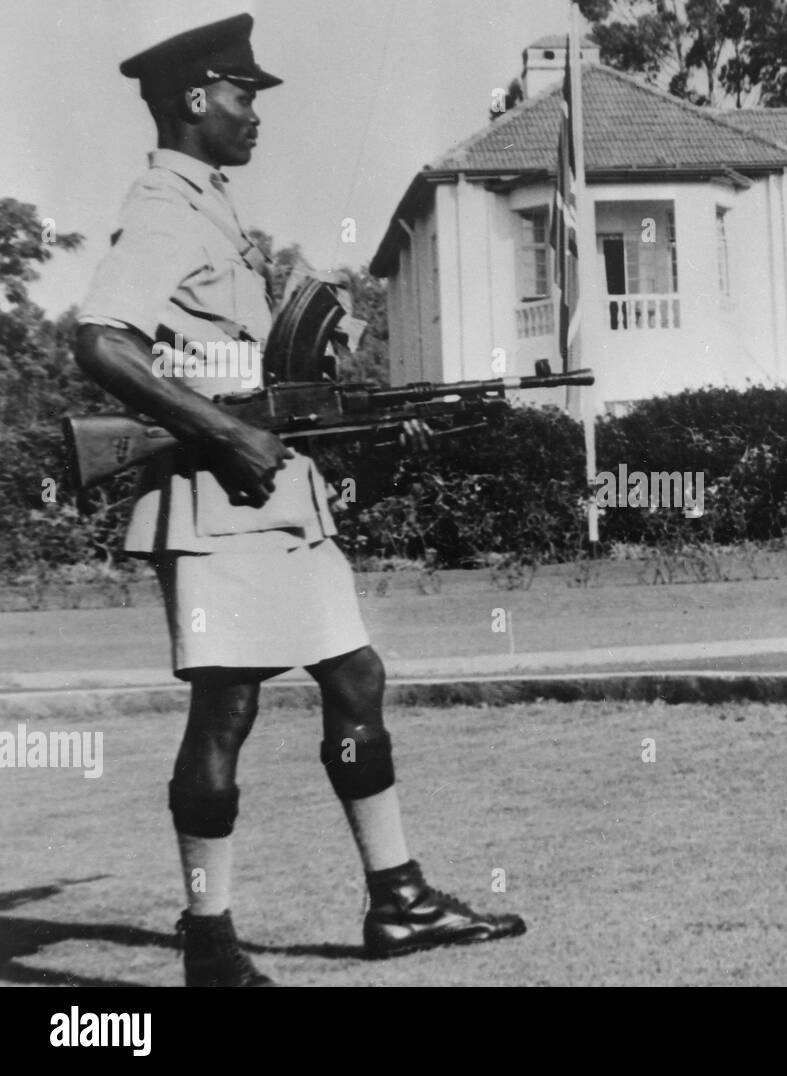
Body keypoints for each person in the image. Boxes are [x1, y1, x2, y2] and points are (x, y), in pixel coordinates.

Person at [73, 13, 524, 987]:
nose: (254, 112)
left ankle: (396, 899)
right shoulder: (163, 205)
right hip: (213, 495)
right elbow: (101, 339)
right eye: (242, 93)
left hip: (271, 495)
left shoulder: (215, 205)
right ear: (196, 99)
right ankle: (211, 941)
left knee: (354, 677)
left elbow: (247, 372)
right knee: (225, 711)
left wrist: (359, 435)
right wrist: (228, 430)